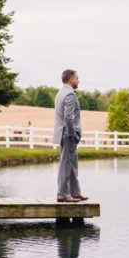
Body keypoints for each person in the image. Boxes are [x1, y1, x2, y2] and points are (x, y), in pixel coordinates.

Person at [53, 69, 87, 203]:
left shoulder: (60, 93)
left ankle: (75, 192)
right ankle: (62, 194)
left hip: (63, 134)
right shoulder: (70, 95)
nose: (79, 81)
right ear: (71, 79)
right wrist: (73, 134)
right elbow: (68, 117)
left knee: (72, 163)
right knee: (66, 164)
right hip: (68, 135)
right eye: (77, 78)